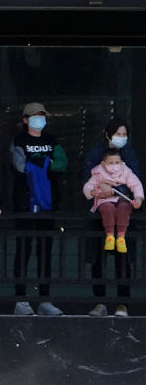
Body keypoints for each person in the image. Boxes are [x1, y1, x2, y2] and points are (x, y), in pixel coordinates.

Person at [10, 102, 67, 316]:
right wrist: (44, 160)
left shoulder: (51, 140)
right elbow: (20, 166)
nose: (39, 119)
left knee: (45, 252)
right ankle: (21, 299)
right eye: (34, 116)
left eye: (42, 116)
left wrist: (43, 162)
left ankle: (45, 299)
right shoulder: (19, 140)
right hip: (25, 202)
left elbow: (60, 164)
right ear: (25, 120)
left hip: (48, 203)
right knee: (23, 251)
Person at [83, 119, 140, 318]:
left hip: (123, 212)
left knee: (122, 258)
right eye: (118, 134)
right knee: (98, 259)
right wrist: (100, 191)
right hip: (100, 212)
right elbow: (88, 179)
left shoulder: (129, 154)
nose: (122, 138)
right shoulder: (96, 153)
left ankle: (123, 303)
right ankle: (100, 302)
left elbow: (135, 180)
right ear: (108, 134)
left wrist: (115, 190)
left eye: (125, 135)